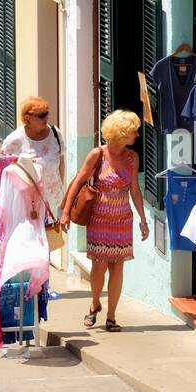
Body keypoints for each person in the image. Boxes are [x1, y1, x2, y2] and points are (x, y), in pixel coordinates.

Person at [59, 110, 148, 332]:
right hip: (99, 219)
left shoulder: (132, 158)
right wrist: (66, 212)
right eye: (133, 132)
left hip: (122, 221)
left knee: (118, 268)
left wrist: (143, 220)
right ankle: (94, 303)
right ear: (121, 133)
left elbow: (135, 191)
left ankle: (111, 316)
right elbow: (78, 182)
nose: (137, 135)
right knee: (99, 266)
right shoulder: (97, 154)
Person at [0, 97, 66, 222]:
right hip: (27, 204)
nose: (46, 118)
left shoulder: (55, 133)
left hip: (53, 200)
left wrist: (61, 189)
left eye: (47, 113)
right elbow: (5, 172)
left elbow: (61, 161)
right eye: (42, 115)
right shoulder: (15, 140)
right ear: (28, 118)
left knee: (52, 239)